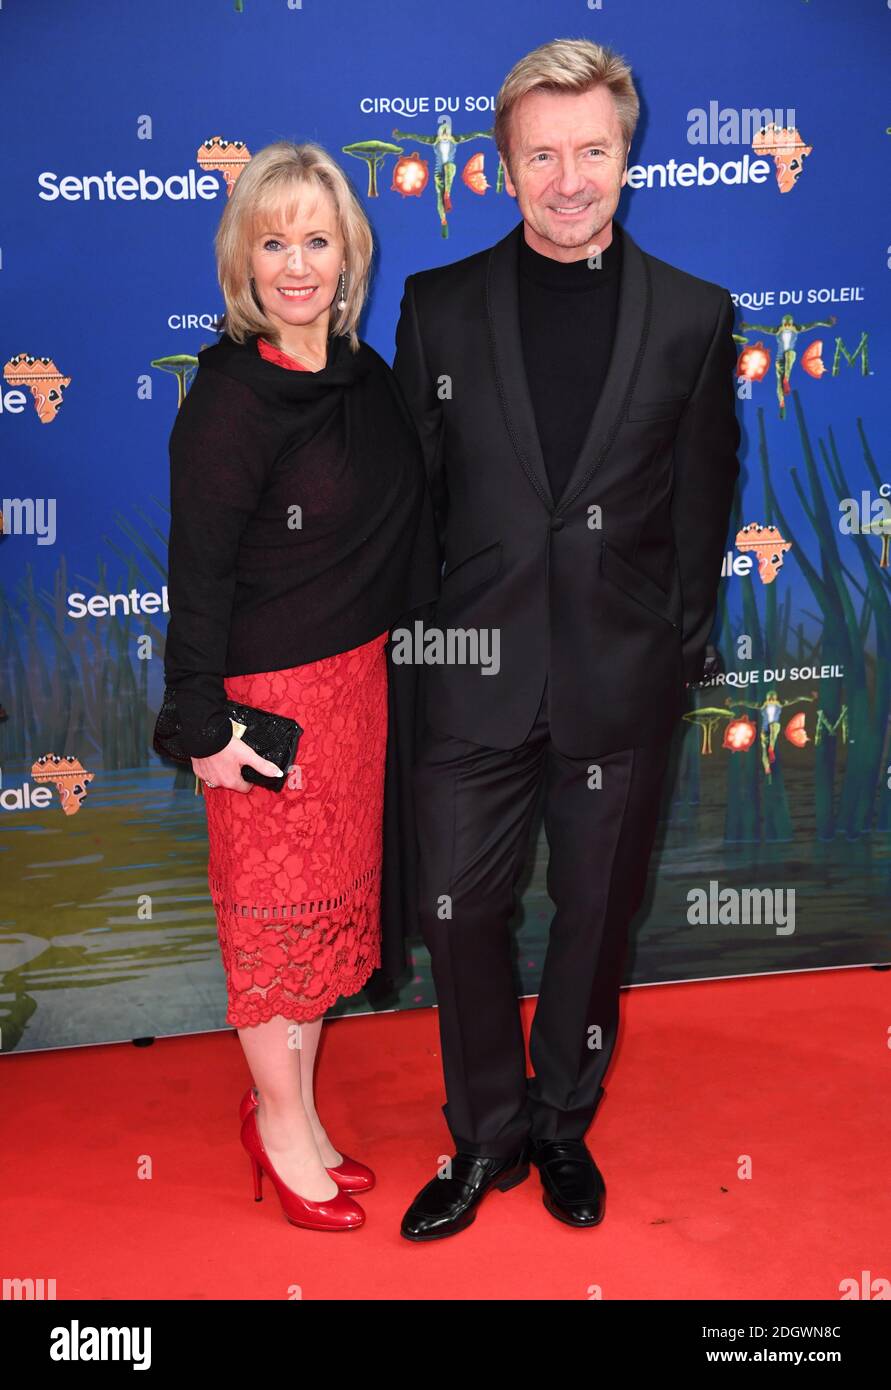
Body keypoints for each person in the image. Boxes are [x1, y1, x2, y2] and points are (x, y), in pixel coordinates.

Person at [394, 38, 741, 1239]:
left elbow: (702, 510)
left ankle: (559, 1124)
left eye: (591, 149)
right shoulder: (436, 308)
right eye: (543, 154)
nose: (569, 176)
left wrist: (670, 654)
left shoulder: (695, 317)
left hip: (619, 683)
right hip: (467, 681)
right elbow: (413, 511)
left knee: (596, 921)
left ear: (626, 155)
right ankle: (483, 1136)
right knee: (458, 912)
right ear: (503, 164)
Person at [164, 140, 437, 1233]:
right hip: (262, 706)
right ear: (242, 258)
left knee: (322, 927)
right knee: (274, 932)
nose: (295, 263)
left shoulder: (363, 377)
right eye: (272, 241)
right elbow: (197, 570)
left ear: (348, 255)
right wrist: (199, 723)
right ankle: (278, 1129)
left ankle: (296, 1110)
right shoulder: (229, 396)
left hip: (356, 692)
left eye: (316, 240)